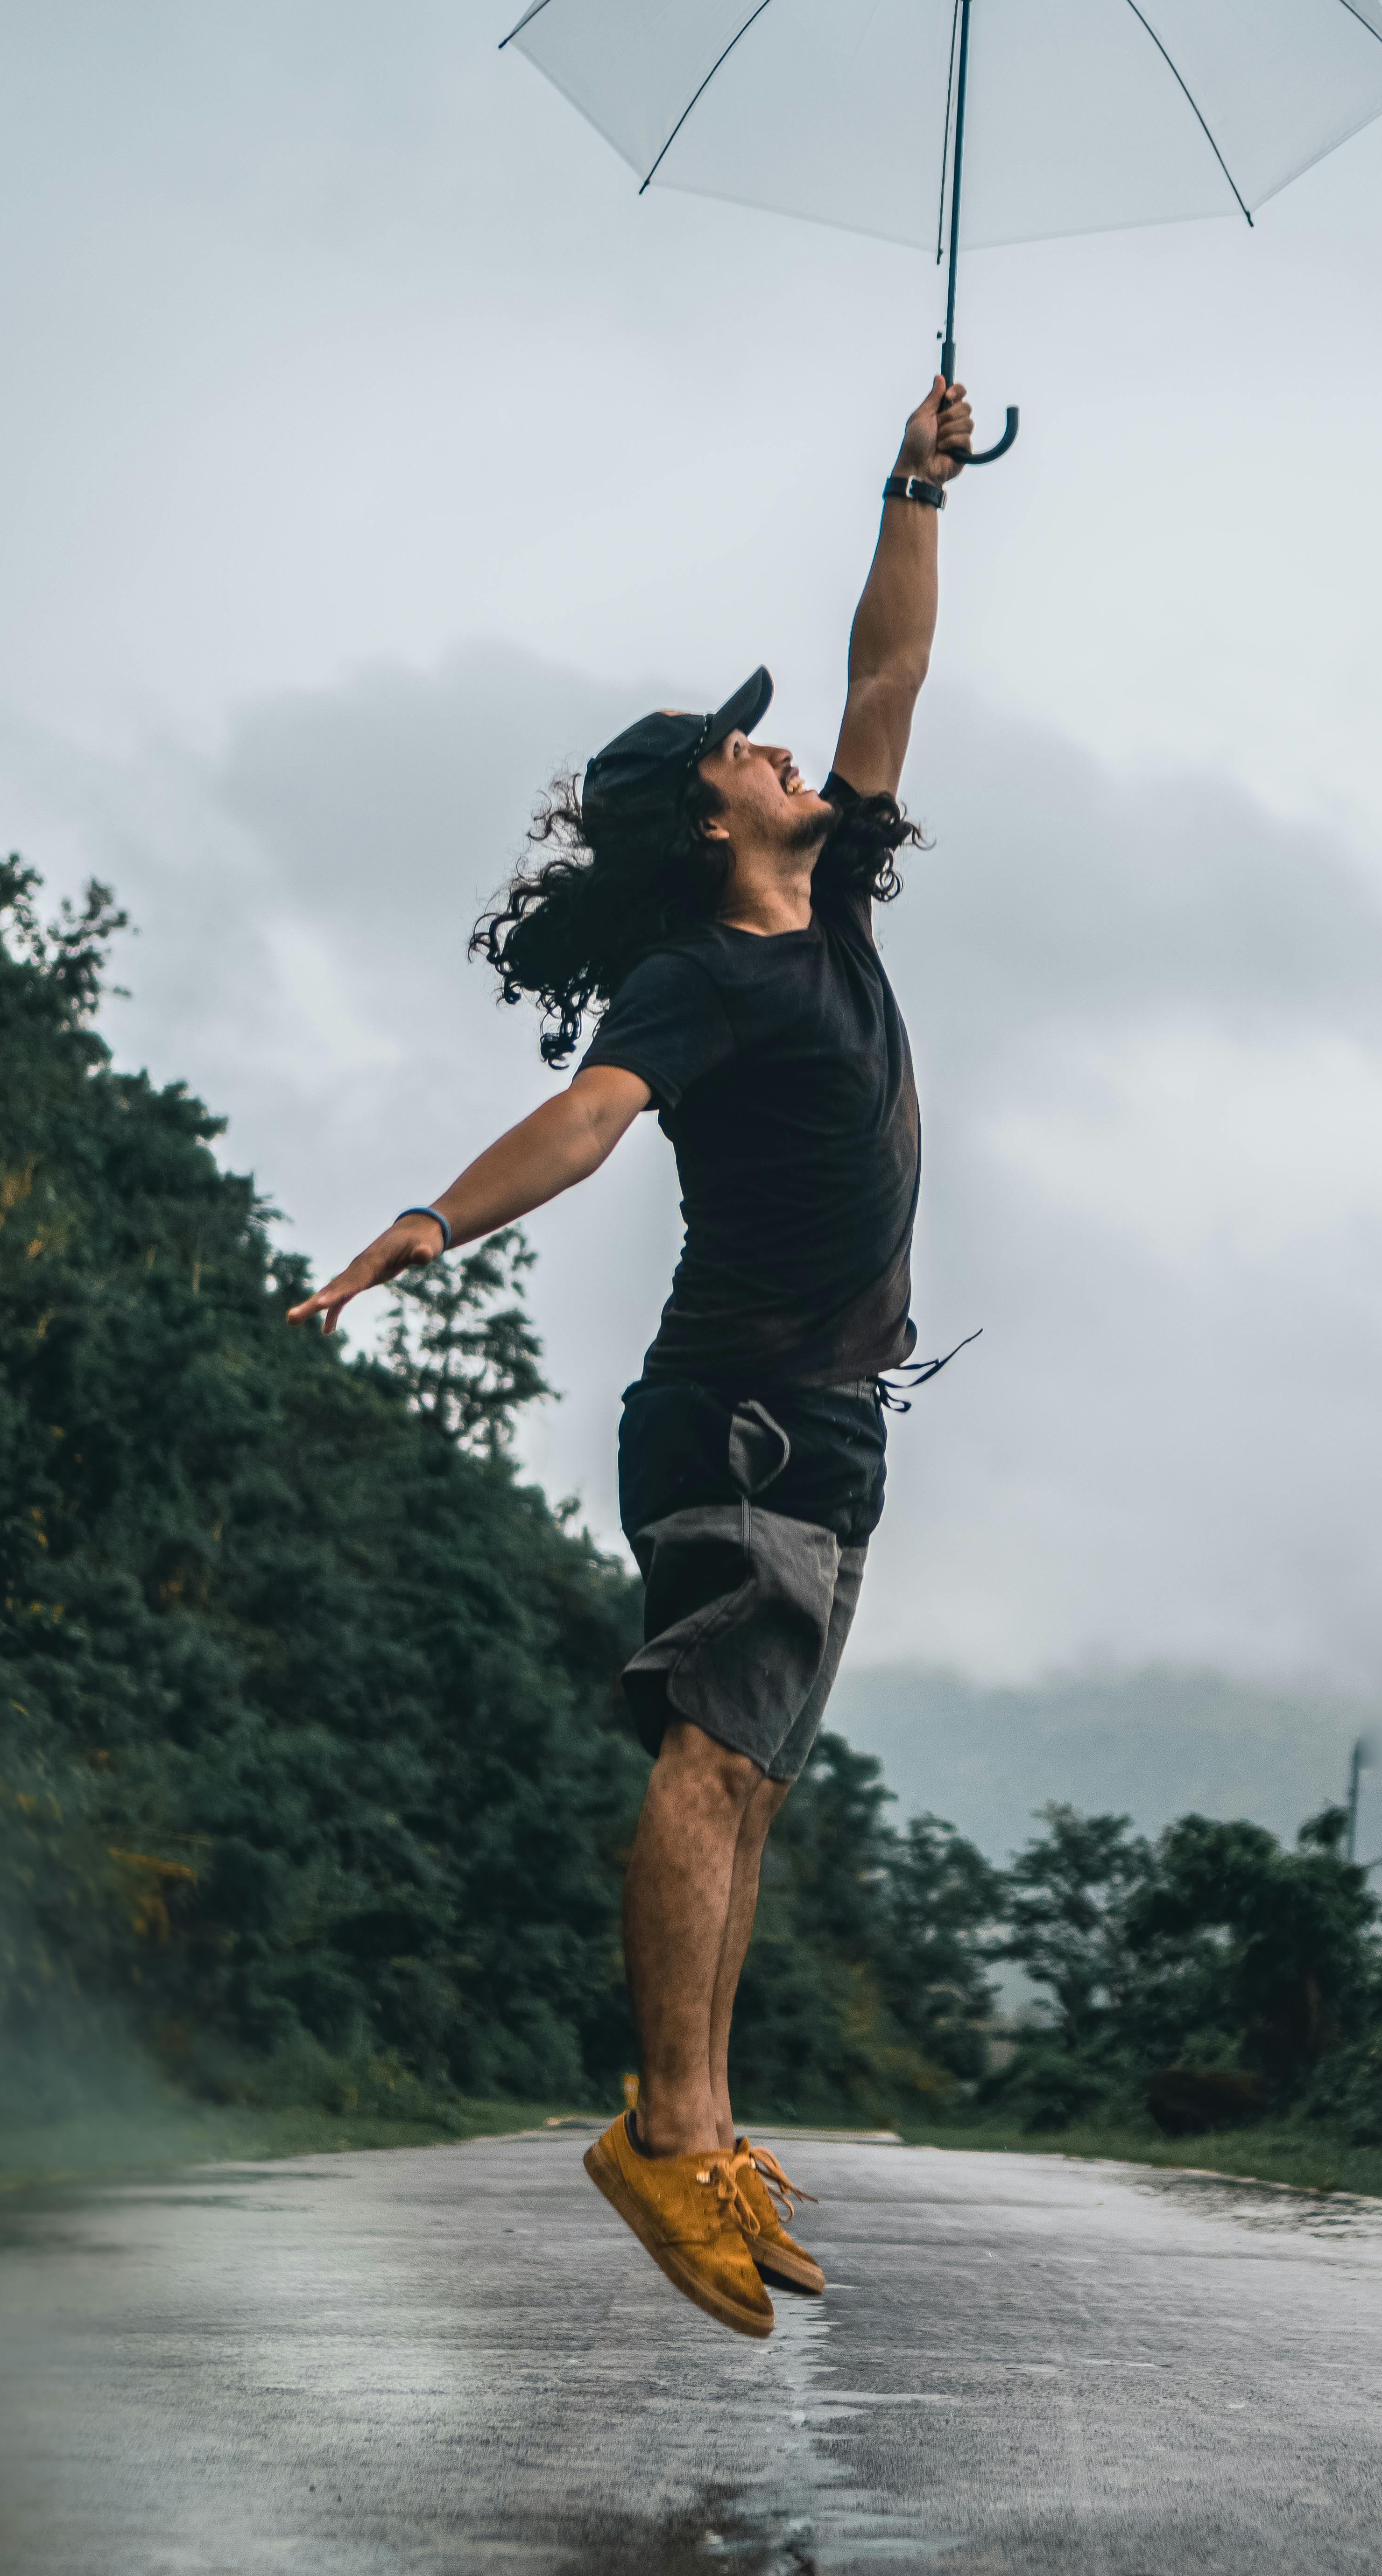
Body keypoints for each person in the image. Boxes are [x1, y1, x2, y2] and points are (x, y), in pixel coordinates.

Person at [288, 372, 974, 2337]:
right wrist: (432, 1220)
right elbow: (593, 1117)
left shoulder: (827, 894)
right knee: (708, 1746)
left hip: (830, 1420)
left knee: (748, 1773)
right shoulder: (695, 975)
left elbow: (888, 679)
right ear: (703, 803)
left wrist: (913, 487)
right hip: (742, 1414)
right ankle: (665, 2138)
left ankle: (708, 2122)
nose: (782, 753)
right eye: (743, 748)